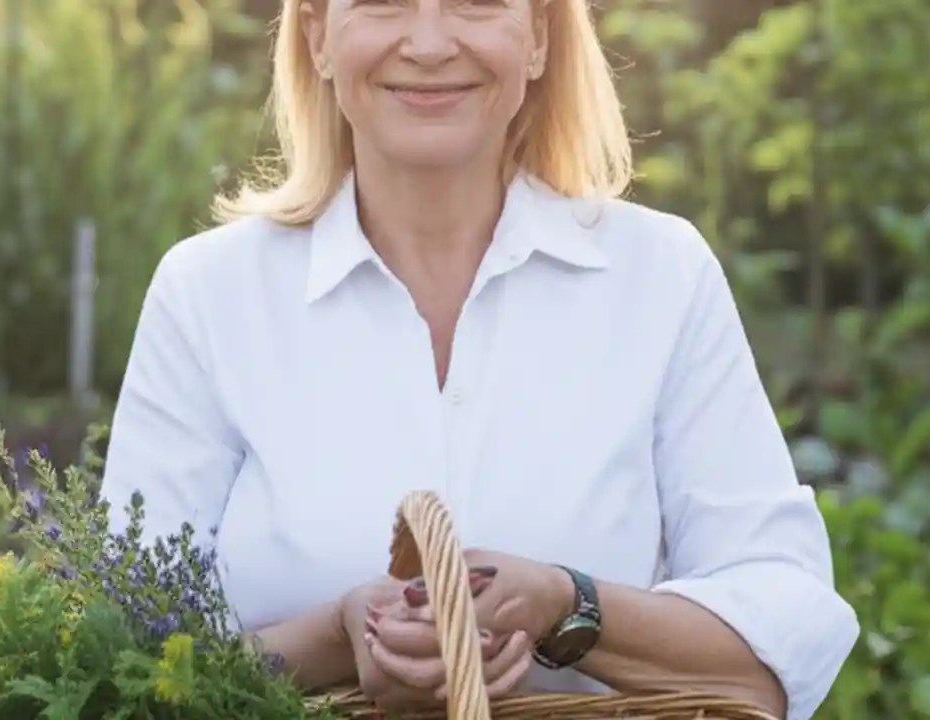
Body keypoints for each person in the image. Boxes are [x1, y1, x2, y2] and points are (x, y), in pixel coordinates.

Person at [100, 0, 859, 716]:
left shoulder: (661, 275)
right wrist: (338, 635)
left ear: (536, 36)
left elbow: (777, 647)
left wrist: (569, 606)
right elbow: (113, 670)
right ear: (318, 38)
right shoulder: (208, 295)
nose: (429, 43)